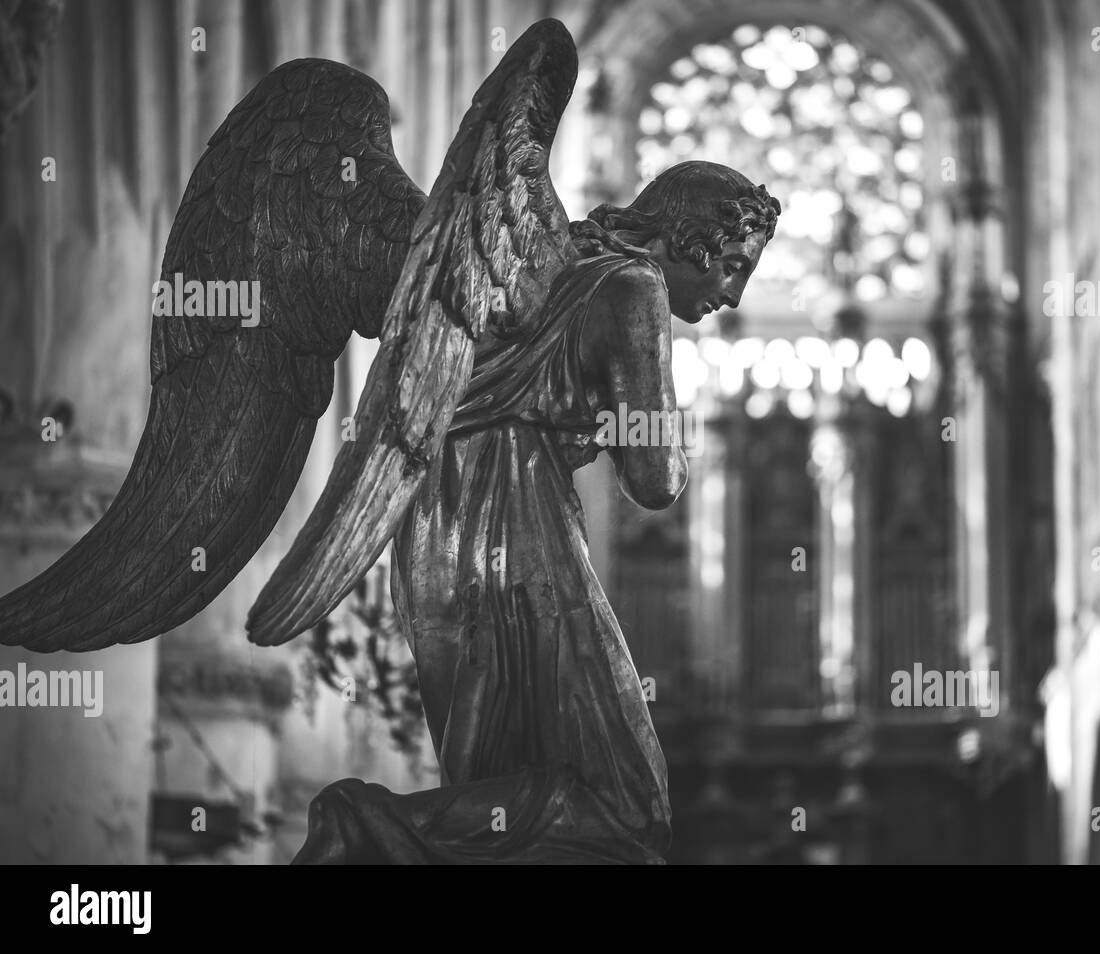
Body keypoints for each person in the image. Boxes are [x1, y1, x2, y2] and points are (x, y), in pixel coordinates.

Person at [293, 161, 781, 864]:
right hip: (510, 516)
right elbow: (656, 479)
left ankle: (368, 835)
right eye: (731, 265)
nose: (731, 295)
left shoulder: (552, 261)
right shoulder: (632, 284)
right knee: (624, 802)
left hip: (439, 525)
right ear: (688, 237)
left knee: (504, 779)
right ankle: (359, 827)